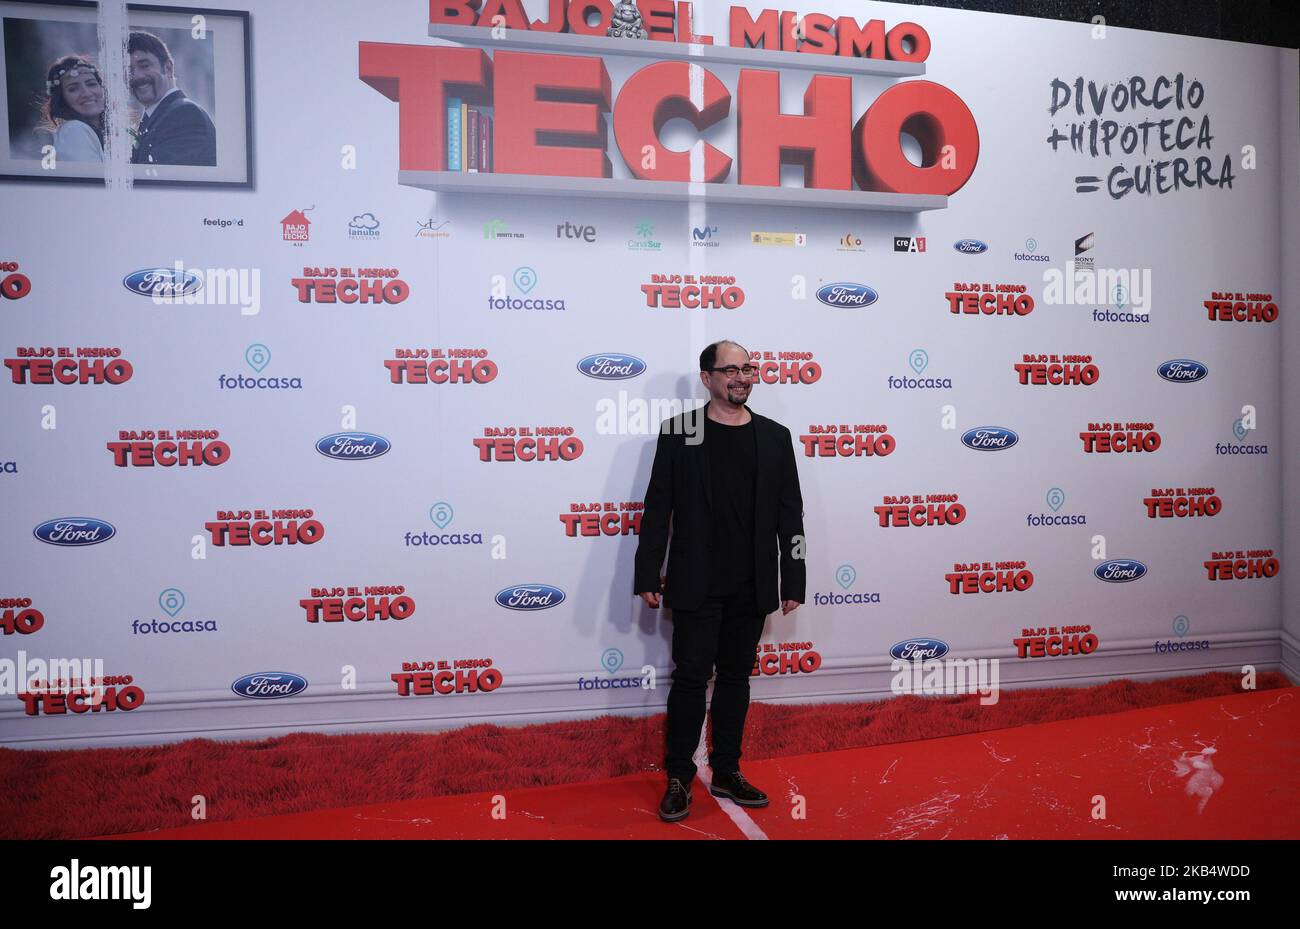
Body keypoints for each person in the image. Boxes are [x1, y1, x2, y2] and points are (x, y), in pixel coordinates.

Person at [633, 340, 806, 822]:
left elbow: (791, 514)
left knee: (735, 679)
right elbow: (657, 509)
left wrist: (794, 576)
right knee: (690, 680)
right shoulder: (682, 431)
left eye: (748, 368)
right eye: (730, 369)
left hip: (751, 584)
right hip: (695, 582)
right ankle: (679, 777)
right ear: (706, 378)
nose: (741, 377)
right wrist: (648, 571)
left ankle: (728, 770)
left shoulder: (774, 436)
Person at [127, 31, 216, 166]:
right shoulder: (155, 118)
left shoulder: (185, 114)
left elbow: (162, 181)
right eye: (128, 70)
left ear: (168, 68)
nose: (137, 76)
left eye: (144, 65)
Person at [40, 56, 106, 162]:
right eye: (73, 89)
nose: (87, 93)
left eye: (91, 84)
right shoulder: (73, 130)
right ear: (62, 99)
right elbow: (90, 177)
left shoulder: (110, 133)